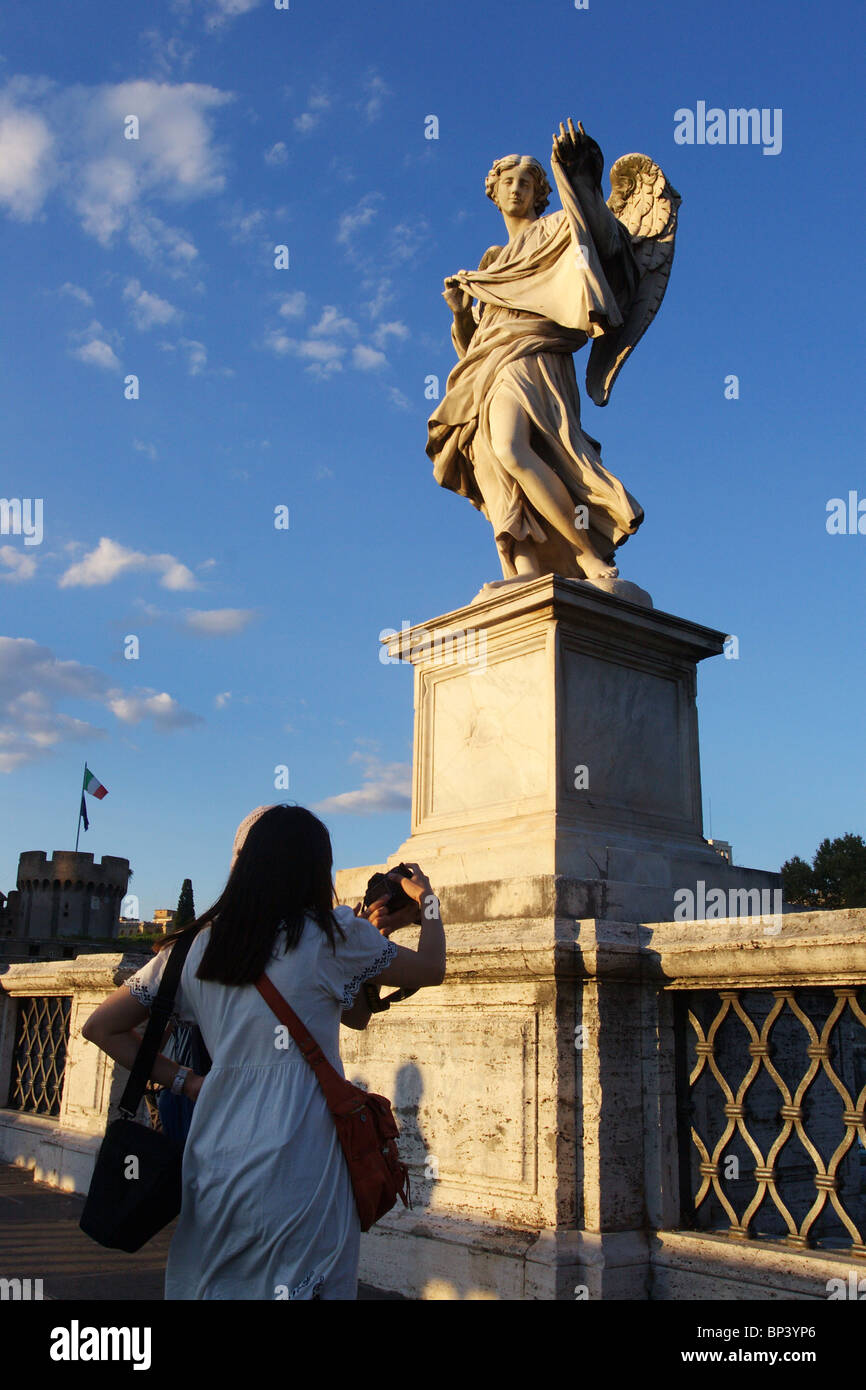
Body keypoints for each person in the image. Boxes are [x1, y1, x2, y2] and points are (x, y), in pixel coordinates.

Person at [81, 804, 445, 1300]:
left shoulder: (190, 949)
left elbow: (102, 1026)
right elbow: (431, 967)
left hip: (216, 1157)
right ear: (316, 871)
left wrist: (185, 1081)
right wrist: (427, 900)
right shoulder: (333, 938)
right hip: (304, 1160)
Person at [427, 119, 644, 588]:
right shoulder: (491, 263)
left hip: (533, 356)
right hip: (489, 364)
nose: (517, 189)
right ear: (494, 190)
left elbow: (605, 241)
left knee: (510, 445)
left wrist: (577, 177)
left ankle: (585, 553)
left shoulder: (557, 228)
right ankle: (525, 569)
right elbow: (473, 345)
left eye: (528, 182)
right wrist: (460, 314)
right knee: (491, 457)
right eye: (509, 181)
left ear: (541, 191)